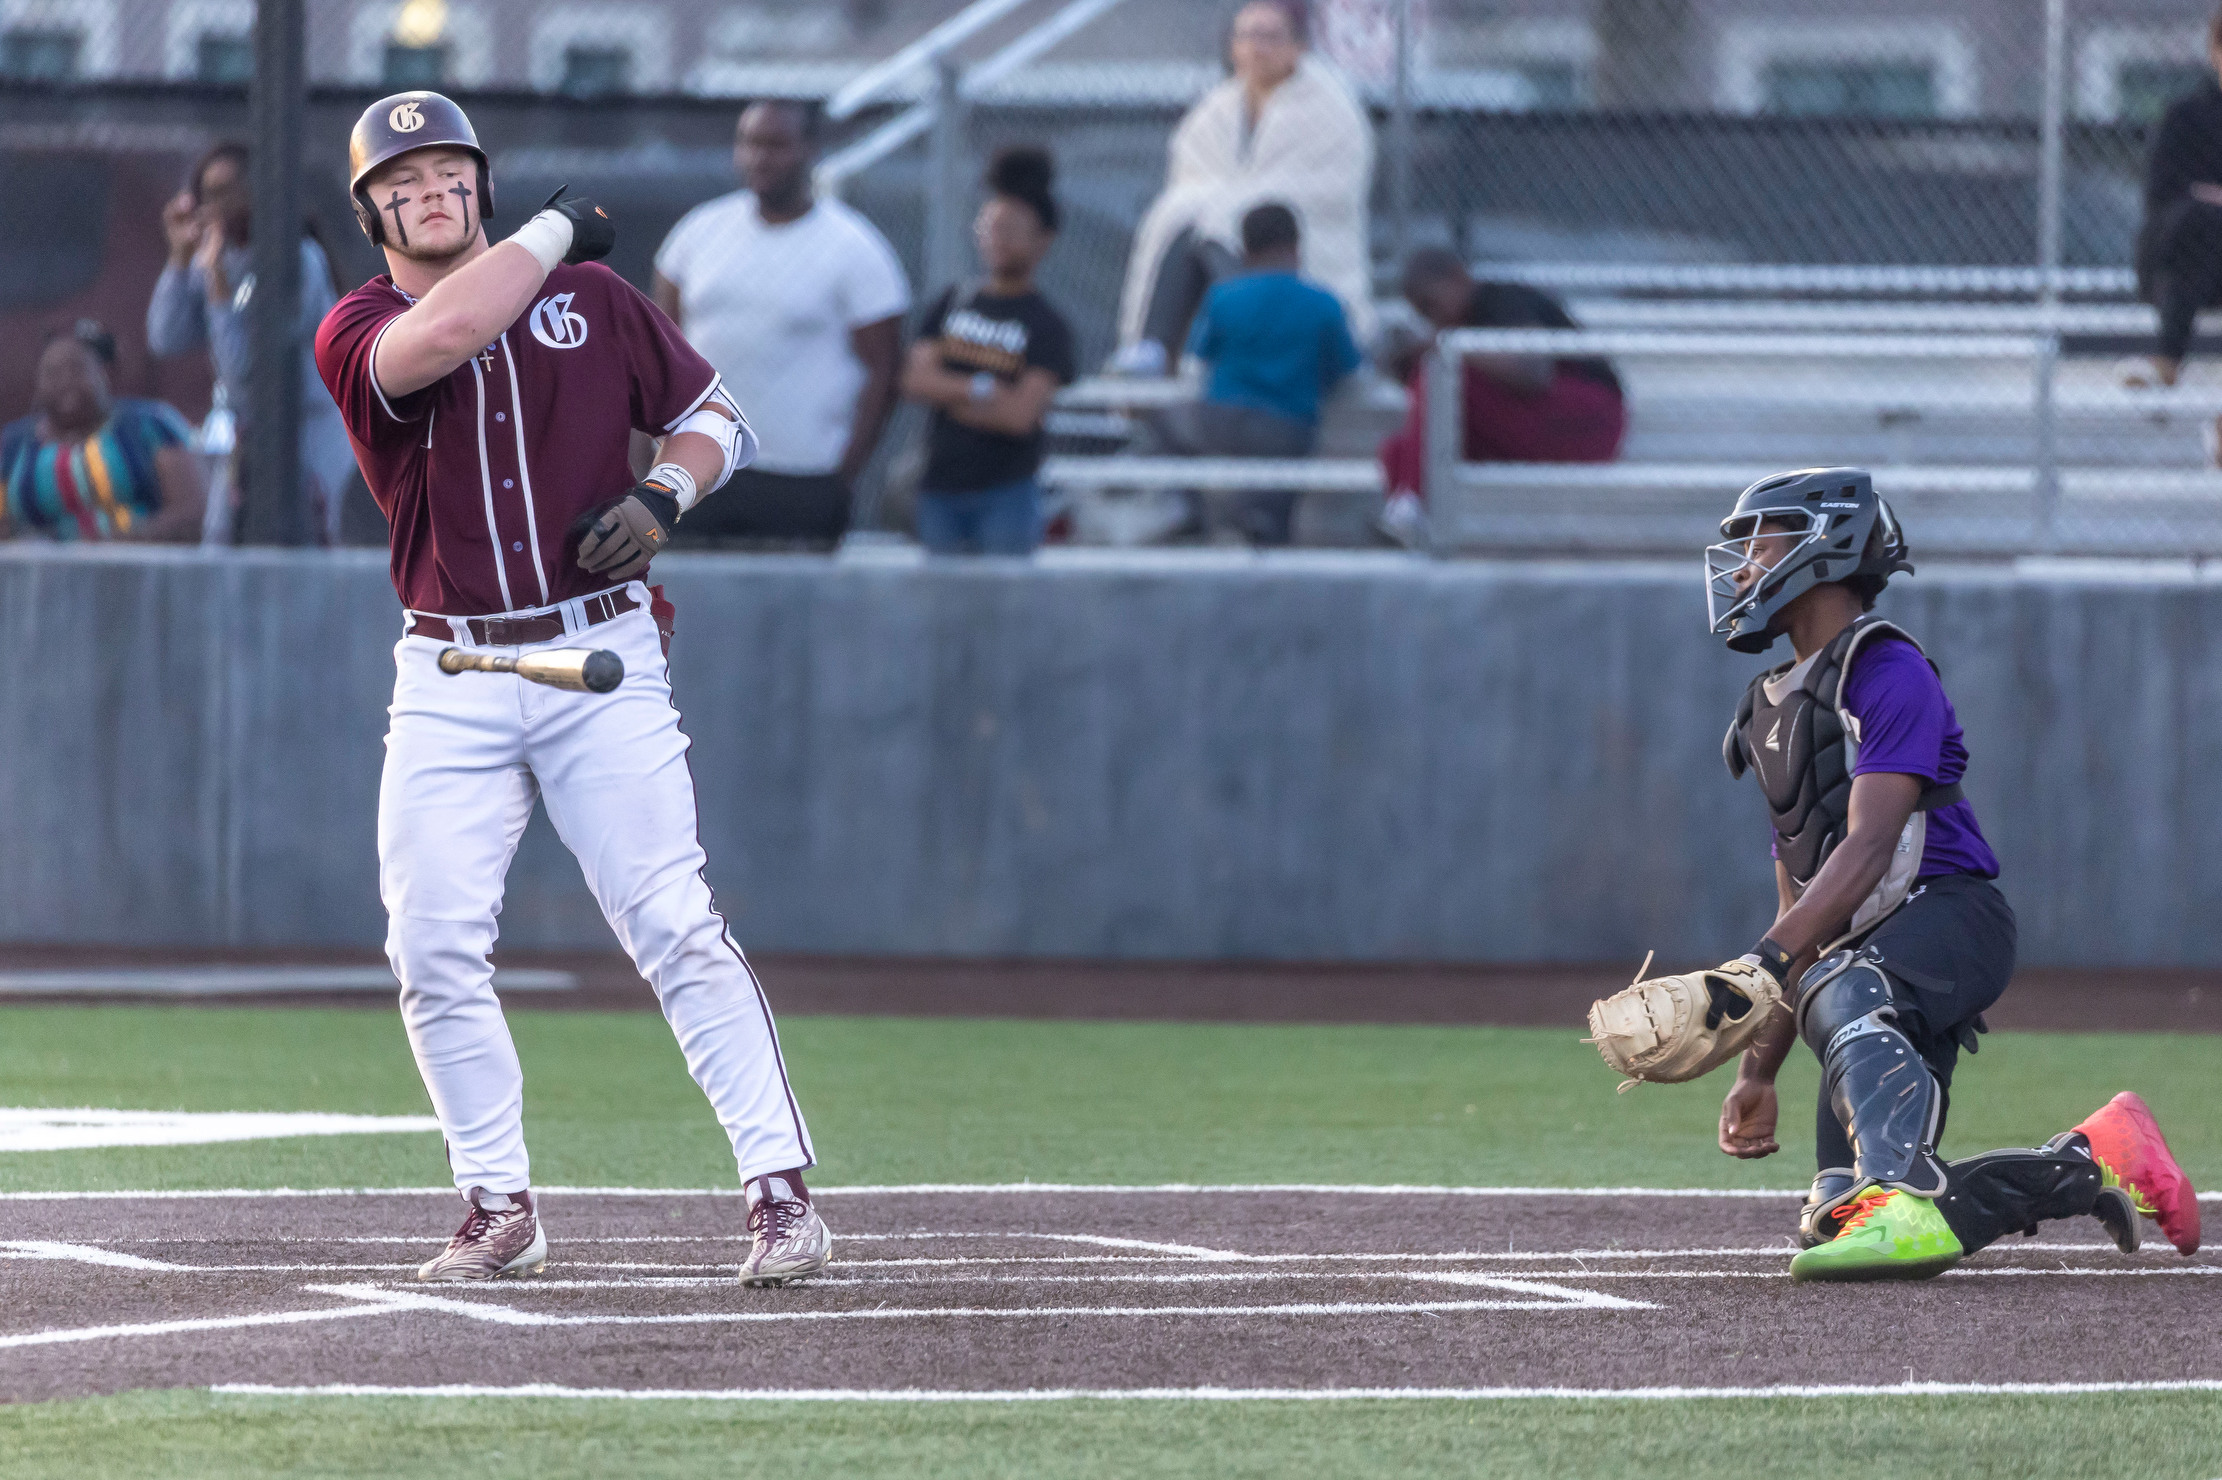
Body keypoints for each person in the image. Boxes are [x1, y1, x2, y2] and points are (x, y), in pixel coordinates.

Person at [313, 91, 828, 1287]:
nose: (430, 188)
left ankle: (779, 1192)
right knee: (431, 944)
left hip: (598, 650)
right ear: (369, 209)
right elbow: (437, 343)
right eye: (403, 178)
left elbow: (715, 417)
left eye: (450, 169)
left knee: (671, 922)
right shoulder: (356, 323)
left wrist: (664, 498)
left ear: (482, 183)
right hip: (449, 663)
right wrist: (547, 231)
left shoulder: (591, 298)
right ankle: (496, 1201)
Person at [1696, 467, 2200, 1280]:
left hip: (1950, 921)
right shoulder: (1769, 709)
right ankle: (2094, 1154)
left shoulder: (1886, 667)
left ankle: (1901, 1182)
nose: (1747, 561)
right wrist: (1758, 1070)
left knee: (1844, 1005)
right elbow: (1805, 903)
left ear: (1824, 547)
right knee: (1837, 1225)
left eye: (1765, 538)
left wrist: (1758, 965)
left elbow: (1866, 851)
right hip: (1862, 973)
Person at [652, 100, 908, 550]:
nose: (759, 157)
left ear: (810, 150)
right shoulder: (698, 232)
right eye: (749, 143)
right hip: (699, 470)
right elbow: (656, 355)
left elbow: (886, 370)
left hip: (802, 479)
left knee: (796, 619)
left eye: (776, 145)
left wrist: (844, 473)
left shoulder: (855, 248)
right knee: (691, 617)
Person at [1114, 0, 1374, 374]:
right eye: (1247, 35)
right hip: (1214, 249)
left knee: (1219, 227)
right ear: (1233, 46)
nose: (1258, 46)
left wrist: (1229, 205)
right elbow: (1191, 179)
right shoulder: (1214, 109)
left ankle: (1246, 339)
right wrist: (1220, 205)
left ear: (1299, 46)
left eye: (1270, 36)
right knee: (1188, 222)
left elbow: (1325, 190)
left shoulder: (1331, 110)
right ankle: (1156, 349)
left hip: (1295, 247)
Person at [147, 141, 362, 545]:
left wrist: (218, 289)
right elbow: (166, 338)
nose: (217, 204)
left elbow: (246, 372)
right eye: (208, 193)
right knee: (220, 540)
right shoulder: (215, 259)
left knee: (306, 532)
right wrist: (179, 258)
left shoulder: (296, 259)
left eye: (229, 189)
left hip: (309, 423)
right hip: (246, 429)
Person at [1143, 201, 1360, 545]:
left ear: (1245, 250)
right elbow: (1347, 370)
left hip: (1220, 424)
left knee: (1160, 416)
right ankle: (1264, 529)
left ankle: (1192, 513)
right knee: (1273, 514)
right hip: (1289, 429)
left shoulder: (1224, 297)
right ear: (1296, 247)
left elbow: (1198, 358)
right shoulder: (1324, 303)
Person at [1376, 248, 1625, 545]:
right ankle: (1409, 522)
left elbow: (1534, 372)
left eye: (1431, 305)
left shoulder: (1502, 300)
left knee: (1437, 374)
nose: (1433, 318)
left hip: (1589, 417)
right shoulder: (1458, 328)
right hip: (1538, 423)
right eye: (1423, 313)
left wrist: (1446, 345)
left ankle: (1411, 511)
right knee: (1397, 451)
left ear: (1458, 279)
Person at [901, 147, 1076, 556]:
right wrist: (983, 391)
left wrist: (947, 393)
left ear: (1042, 241)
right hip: (939, 488)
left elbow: (1019, 416)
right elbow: (913, 380)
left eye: (1014, 228)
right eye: (991, 225)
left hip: (1006, 495)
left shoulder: (1048, 325)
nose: (999, 238)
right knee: (938, 607)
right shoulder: (952, 301)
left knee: (1006, 611)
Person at [1, 321, 206, 543]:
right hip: (38, 572)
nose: (65, 381)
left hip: (140, 567)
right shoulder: (12, 445)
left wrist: (114, 547)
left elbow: (191, 513)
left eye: (77, 369)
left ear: (102, 373)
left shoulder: (151, 425)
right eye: (52, 373)